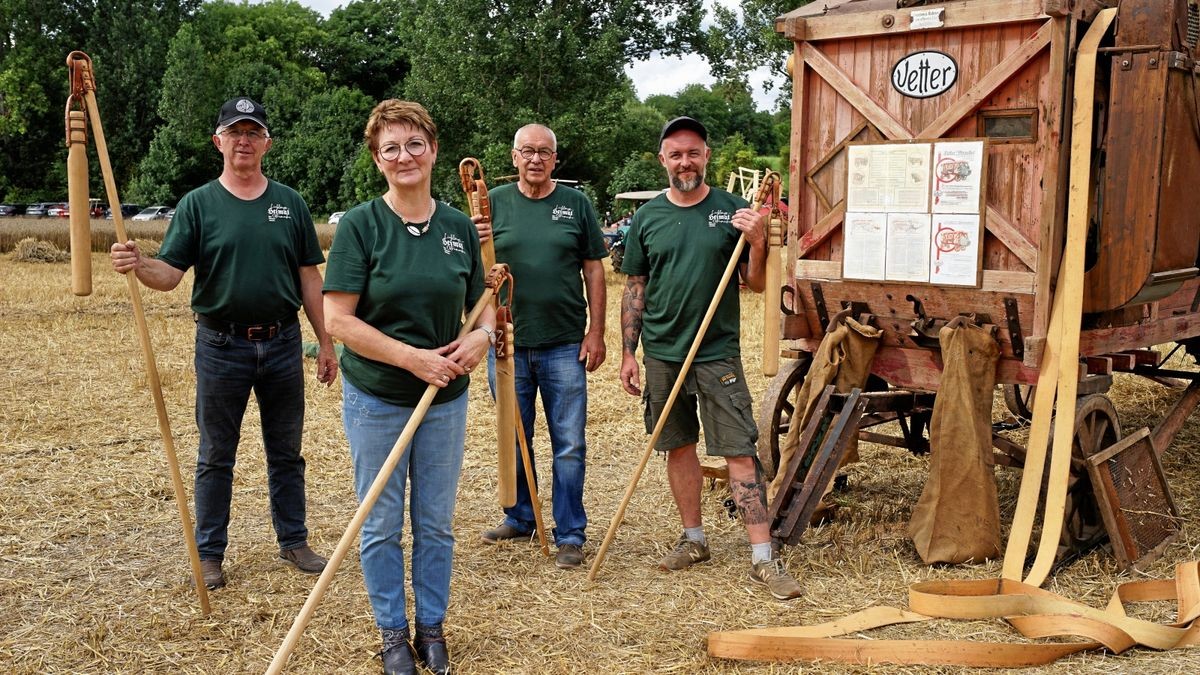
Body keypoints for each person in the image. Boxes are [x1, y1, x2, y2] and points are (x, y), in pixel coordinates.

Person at [110, 97, 336, 591]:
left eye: (253, 132)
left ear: (266, 143)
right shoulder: (198, 205)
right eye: (235, 132)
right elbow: (169, 276)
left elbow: (309, 279)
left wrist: (325, 341)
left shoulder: (290, 203)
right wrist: (138, 264)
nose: (244, 141)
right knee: (216, 454)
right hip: (221, 346)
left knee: (287, 451)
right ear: (219, 142)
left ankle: (294, 542)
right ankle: (210, 553)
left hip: (281, 344)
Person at [323, 99, 494, 675]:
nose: (405, 156)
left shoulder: (456, 228)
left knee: (436, 522)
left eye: (414, 144)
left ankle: (432, 628)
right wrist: (410, 358)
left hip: (444, 400)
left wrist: (482, 339)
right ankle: (393, 634)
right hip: (378, 397)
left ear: (433, 150)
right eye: (391, 147)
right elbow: (338, 321)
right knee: (379, 522)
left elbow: (483, 307)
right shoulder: (360, 227)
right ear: (377, 159)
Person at [618, 117, 803, 600]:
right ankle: (694, 539)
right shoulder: (647, 218)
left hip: (715, 353)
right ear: (663, 161)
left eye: (694, 152)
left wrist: (759, 241)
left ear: (707, 156)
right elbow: (634, 289)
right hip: (661, 352)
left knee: (738, 450)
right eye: (675, 154)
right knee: (677, 445)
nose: (685, 162)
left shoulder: (734, 211)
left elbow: (757, 283)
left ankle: (763, 556)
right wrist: (627, 352)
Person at [474, 124, 608, 570]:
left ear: (555, 160)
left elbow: (594, 270)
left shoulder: (576, 205)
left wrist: (596, 332)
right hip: (506, 345)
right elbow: (474, 271)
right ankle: (521, 516)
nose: (535, 159)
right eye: (527, 151)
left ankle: (570, 533)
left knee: (568, 442)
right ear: (513, 157)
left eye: (544, 152)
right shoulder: (490, 205)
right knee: (514, 435)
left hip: (564, 343)